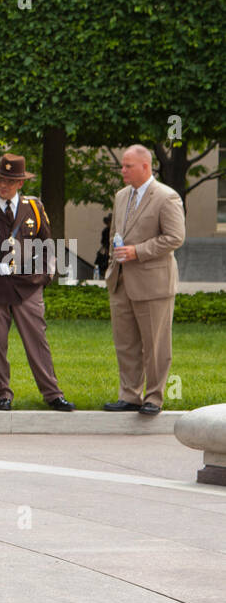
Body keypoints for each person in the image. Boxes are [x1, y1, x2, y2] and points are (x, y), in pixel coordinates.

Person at [0, 154, 74, 412]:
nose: (3, 185)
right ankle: (2, 394)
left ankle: (52, 393)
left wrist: (44, 276)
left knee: (37, 341)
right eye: (0, 179)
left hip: (28, 285)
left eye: (10, 181)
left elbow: (46, 244)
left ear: (20, 183)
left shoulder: (34, 208)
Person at [102, 144, 185, 416]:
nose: (122, 170)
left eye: (128, 166)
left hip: (153, 284)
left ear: (145, 167)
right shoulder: (121, 196)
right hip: (121, 281)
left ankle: (154, 398)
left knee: (155, 345)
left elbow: (175, 238)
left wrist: (138, 251)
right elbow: (116, 233)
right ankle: (129, 395)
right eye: (123, 165)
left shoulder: (166, 197)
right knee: (125, 344)